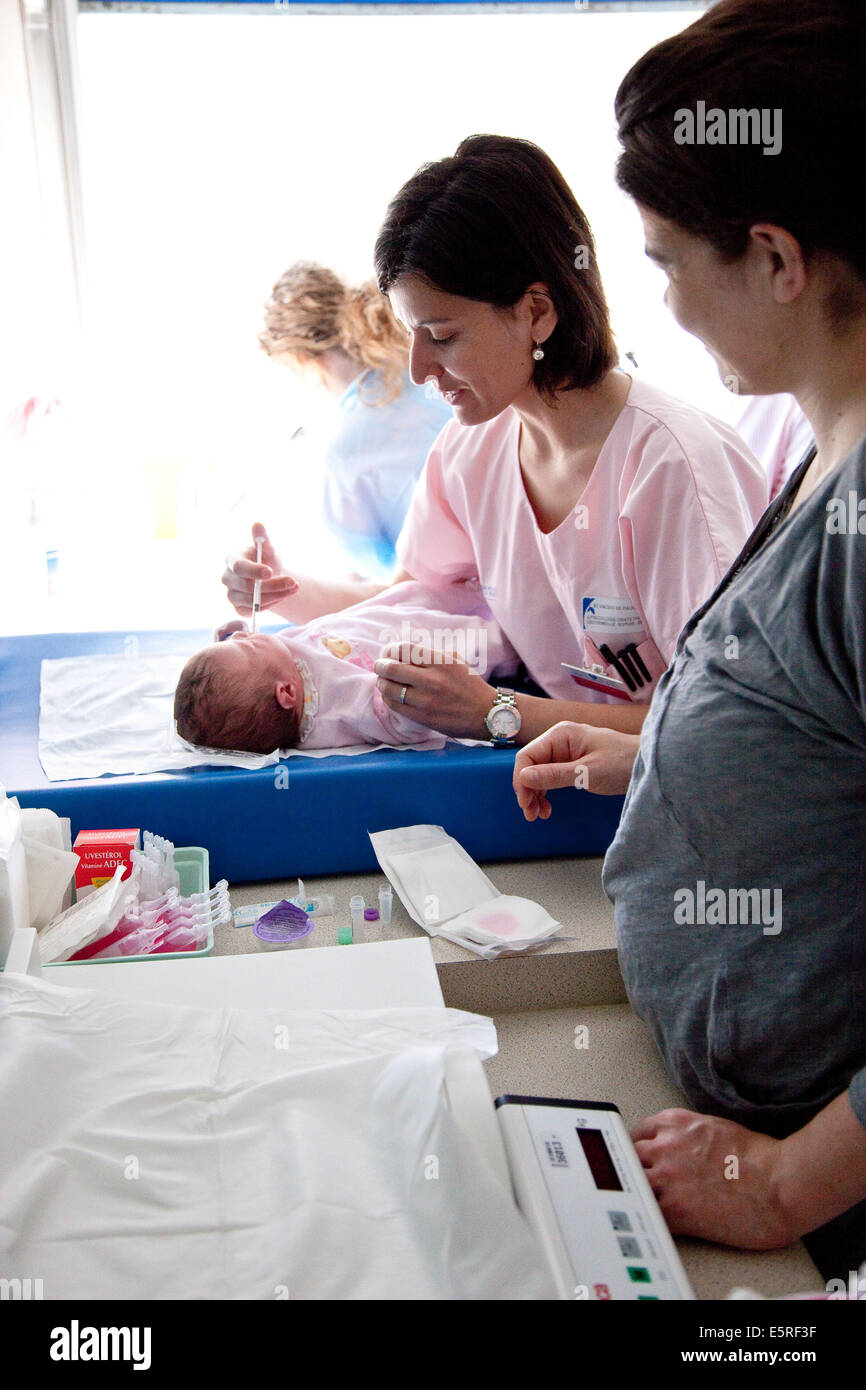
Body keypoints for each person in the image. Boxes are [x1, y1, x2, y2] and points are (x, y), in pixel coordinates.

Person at [513, 0, 866, 1282]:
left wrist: (782, 1186)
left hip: (810, 1187)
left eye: (664, 259)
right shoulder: (821, 457)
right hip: (731, 1112)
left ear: (774, 256)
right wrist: (649, 760)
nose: (656, 299)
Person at [223, 137, 767, 746]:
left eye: (442, 335)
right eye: (412, 335)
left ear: (536, 312)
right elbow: (409, 601)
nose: (418, 369)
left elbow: (729, 729)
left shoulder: (673, 469)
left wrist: (498, 710)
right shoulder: (469, 454)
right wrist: (287, 592)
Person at [259, 262, 451, 580]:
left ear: (301, 360)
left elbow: (370, 582)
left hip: (426, 607)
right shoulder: (432, 381)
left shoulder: (342, 449)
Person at [174, 580, 517, 753]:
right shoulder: (340, 710)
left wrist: (233, 638)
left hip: (391, 613)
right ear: (286, 693)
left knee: (438, 593)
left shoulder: (275, 671)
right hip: (432, 645)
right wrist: (406, 704)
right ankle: (519, 642)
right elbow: (396, 718)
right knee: (492, 638)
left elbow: (239, 666)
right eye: (246, 644)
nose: (244, 638)